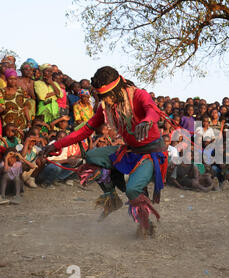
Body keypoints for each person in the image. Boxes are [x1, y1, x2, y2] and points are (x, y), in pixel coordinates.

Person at [43, 66, 168, 239]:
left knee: (132, 190)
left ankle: (145, 224)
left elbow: (152, 110)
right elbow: (84, 130)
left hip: (150, 153)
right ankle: (112, 198)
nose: (106, 101)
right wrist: (57, 144)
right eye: (102, 97)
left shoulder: (138, 95)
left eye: (107, 96)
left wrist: (147, 121)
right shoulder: (105, 107)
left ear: (117, 89)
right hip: (130, 151)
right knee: (92, 156)